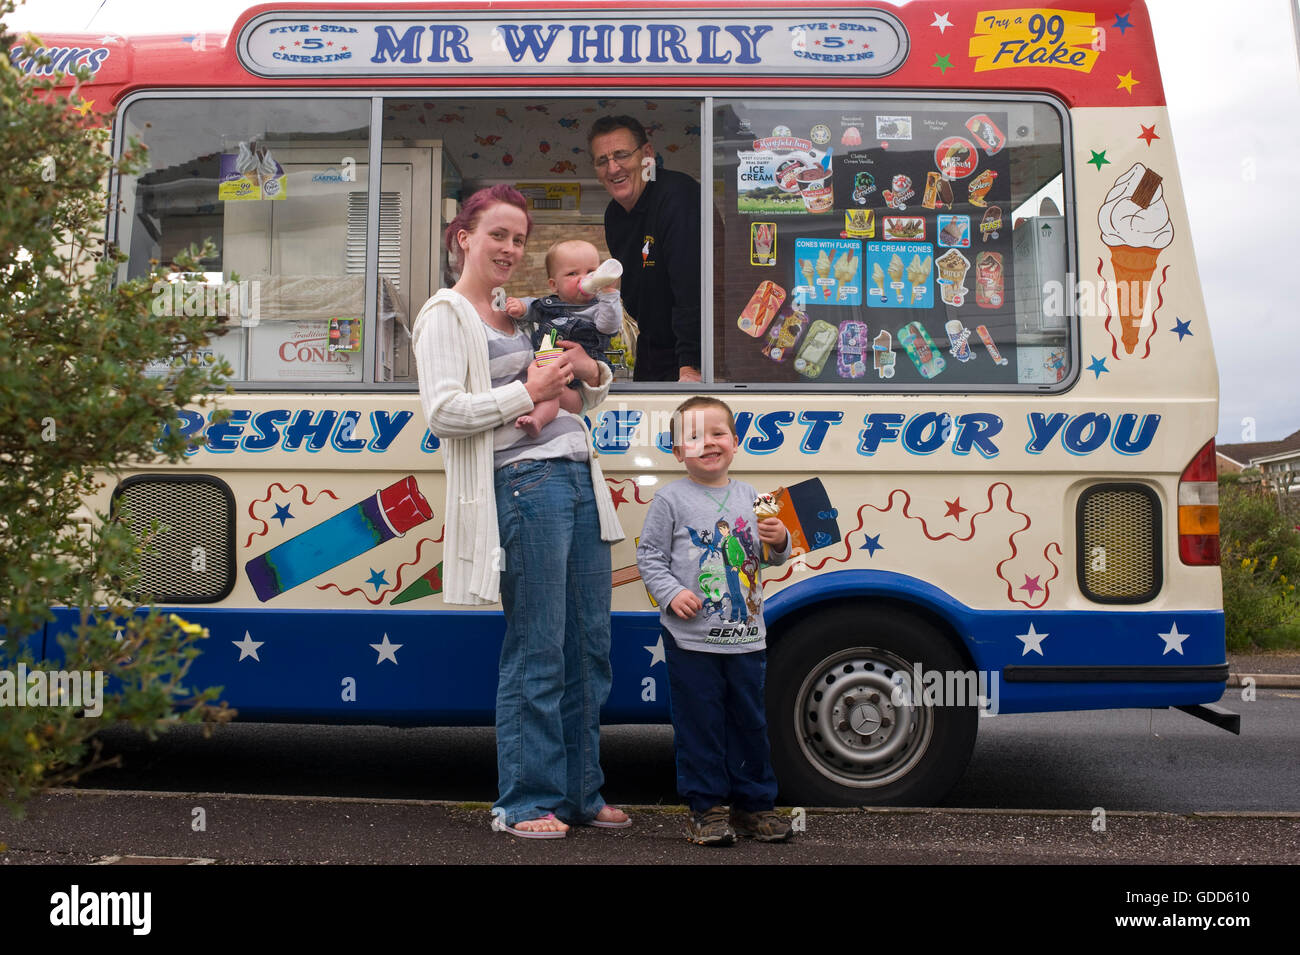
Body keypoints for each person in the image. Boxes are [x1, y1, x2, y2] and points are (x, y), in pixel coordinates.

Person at [411, 184, 629, 839]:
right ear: (464, 238)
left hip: (579, 478)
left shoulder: (522, 317)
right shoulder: (446, 314)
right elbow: (443, 413)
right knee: (539, 647)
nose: (509, 248)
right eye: (498, 235)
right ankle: (525, 801)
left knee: (588, 648)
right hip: (524, 484)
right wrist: (524, 390)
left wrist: (590, 373)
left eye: (519, 239)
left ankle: (580, 794)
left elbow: (577, 396)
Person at [635, 396, 794, 845]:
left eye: (718, 433)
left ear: (736, 442)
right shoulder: (670, 499)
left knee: (750, 724)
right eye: (693, 436)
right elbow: (649, 556)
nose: (708, 443)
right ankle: (706, 810)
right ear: (676, 452)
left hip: (747, 637)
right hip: (692, 641)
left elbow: (771, 557)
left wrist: (780, 538)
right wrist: (671, 593)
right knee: (700, 726)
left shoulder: (755, 498)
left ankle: (755, 806)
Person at [589, 114, 702, 383]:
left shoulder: (677, 195)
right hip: (653, 349)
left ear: (647, 154)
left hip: (694, 354)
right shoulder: (614, 215)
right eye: (602, 161)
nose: (613, 168)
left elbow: (692, 288)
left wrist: (691, 365)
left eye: (621, 155)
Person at [504, 239, 623, 437]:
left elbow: (609, 325)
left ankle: (538, 420)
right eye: (572, 274)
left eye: (591, 271)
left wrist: (609, 293)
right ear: (554, 285)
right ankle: (536, 420)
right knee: (549, 393)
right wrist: (521, 307)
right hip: (547, 369)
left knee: (555, 394)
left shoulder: (599, 307)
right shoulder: (550, 305)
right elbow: (534, 306)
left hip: (576, 378)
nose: (583, 278)